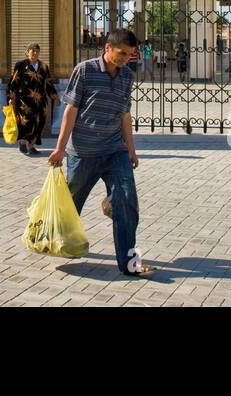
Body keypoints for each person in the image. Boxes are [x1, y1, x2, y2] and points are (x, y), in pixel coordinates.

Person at [48, 27, 155, 278]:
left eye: (129, 54)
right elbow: (70, 111)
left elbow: (124, 115)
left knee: (127, 202)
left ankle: (130, 263)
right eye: (121, 52)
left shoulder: (127, 76)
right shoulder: (84, 70)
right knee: (69, 205)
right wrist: (60, 149)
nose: (125, 58)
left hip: (114, 150)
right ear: (107, 48)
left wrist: (131, 149)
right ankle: (53, 240)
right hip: (83, 153)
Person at [9, 42, 57, 155]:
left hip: (40, 101)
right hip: (24, 101)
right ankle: (22, 141)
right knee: (25, 122)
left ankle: (31, 146)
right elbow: (13, 82)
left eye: (37, 51)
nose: (35, 53)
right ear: (27, 52)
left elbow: (49, 83)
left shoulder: (44, 67)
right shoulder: (20, 65)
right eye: (32, 51)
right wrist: (11, 97)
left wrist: (54, 97)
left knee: (39, 122)